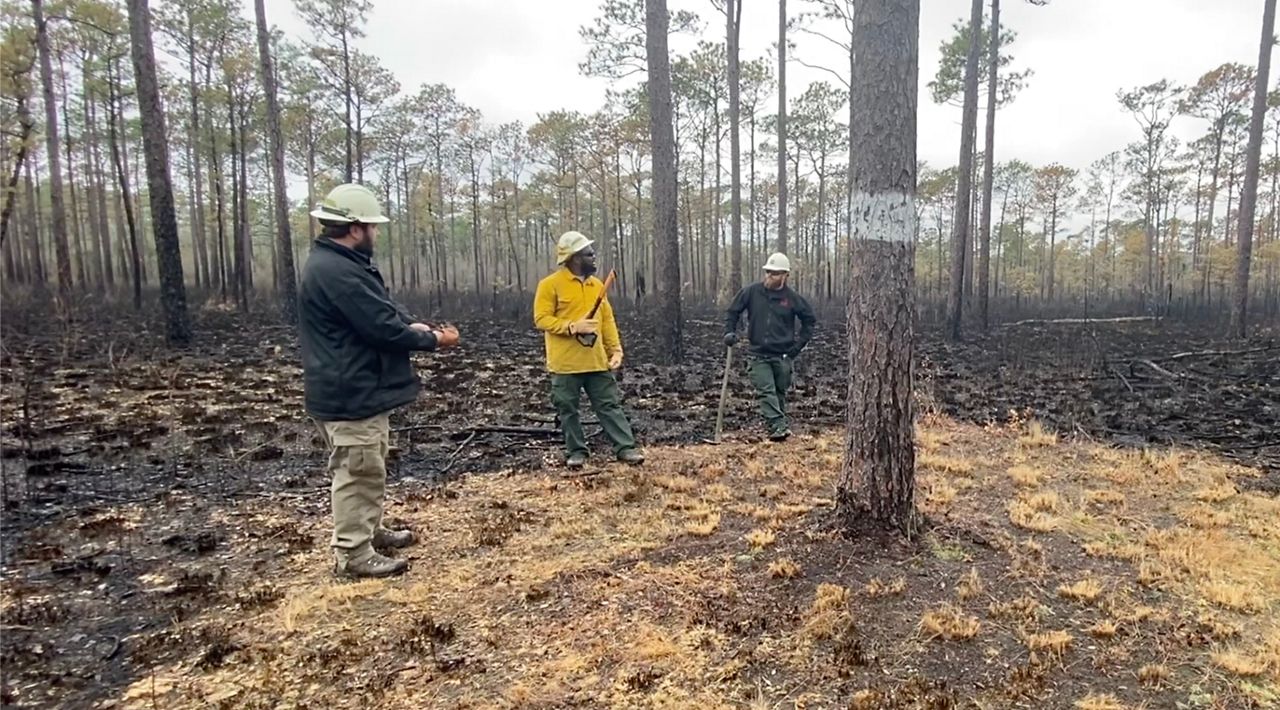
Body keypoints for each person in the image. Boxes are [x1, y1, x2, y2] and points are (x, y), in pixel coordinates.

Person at [299, 183, 460, 579]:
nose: (376, 232)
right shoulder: (337, 272)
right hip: (349, 392)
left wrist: (409, 322)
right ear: (355, 228)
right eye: (372, 226)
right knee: (357, 471)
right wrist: (433, 340)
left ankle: (368, 531)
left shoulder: (340, 264)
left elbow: (382, 310)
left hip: (358, 387)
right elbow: (381, 329)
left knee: (369, 465)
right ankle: (353, 553)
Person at [533, 231, 644, 468]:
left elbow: (607, 320)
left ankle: (625, 448)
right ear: (574, 258)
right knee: (568, 409)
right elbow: (541, 319)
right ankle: (577, 452)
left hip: (596, 362)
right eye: (589, 254)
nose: (594, 258)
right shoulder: (549, 285)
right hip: (565, 365)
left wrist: (616, 350)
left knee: (609, 405)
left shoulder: (597, 286)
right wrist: (572, 327)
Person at [724, 252, 816, 441]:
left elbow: (809, 321)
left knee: (779, 393)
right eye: (767, 272)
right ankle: (778, 426)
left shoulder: (792, 298)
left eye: (774, 274)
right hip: (758, 354)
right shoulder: (751, 292)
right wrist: (729, 331)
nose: (769, 276)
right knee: (766, 391)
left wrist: (796, 348)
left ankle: (779, 429)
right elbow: (733, 311)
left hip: (783, 356)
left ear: (784, 276)